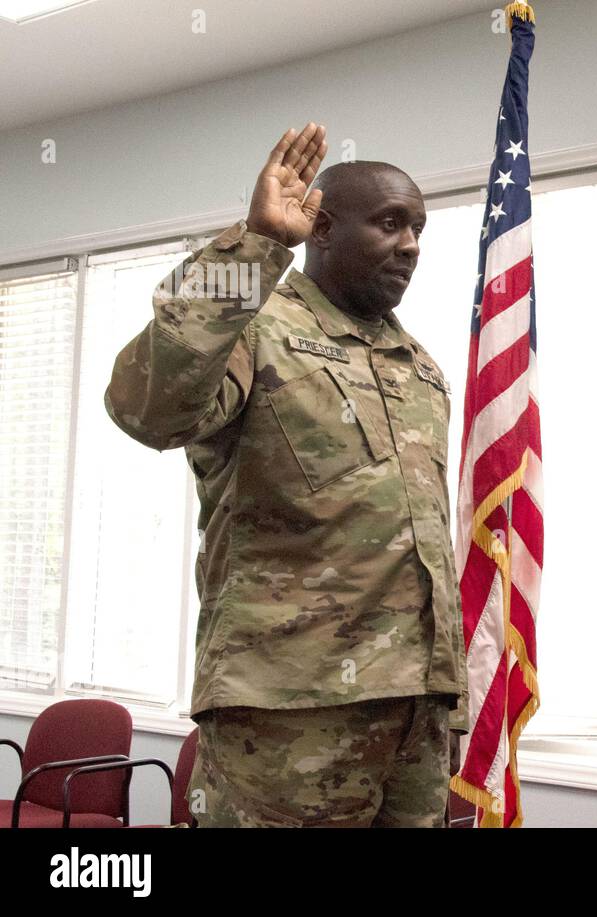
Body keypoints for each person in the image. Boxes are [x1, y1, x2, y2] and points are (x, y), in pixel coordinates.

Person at [104, 123, 466, 827]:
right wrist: (256, 245)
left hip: (416, 711)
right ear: (322, 228)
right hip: (287, 709)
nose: (412, 244)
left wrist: (451, 691)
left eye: (419, 227)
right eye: (391, 223)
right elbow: (146, 408)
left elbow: (427, 545)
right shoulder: (255, 325)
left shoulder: (419, 366)